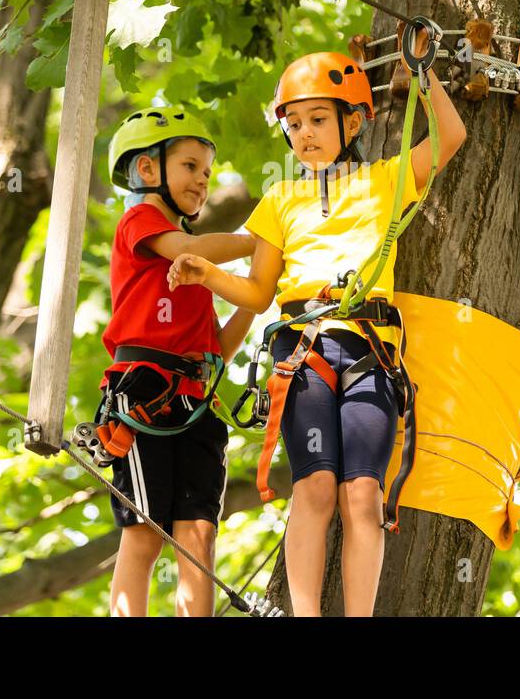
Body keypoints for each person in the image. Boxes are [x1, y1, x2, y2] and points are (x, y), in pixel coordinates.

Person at [166, 45, 466, 615]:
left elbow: (450, 137)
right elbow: (258, 293)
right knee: (315, 487)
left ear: (352, 121)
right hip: (301, 353)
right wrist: (207, 273)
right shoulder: (280, 200)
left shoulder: (384, 181)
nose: (304, 134)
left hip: (369, 352)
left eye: (318, 120)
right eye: (295, 123)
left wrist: (422, 72)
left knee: (362, 493)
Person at [97, 106, 256, 616]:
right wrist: (265, 237)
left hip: (194, 401)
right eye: (191, 166)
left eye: (207, 172)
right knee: (145, 531)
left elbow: (218, 350)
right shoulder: (142, 223)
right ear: (148, 170)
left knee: (199, 535)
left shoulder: (193, 278)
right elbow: (192, 247)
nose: (203, 181)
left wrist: (256, 295)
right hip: (141, 395)